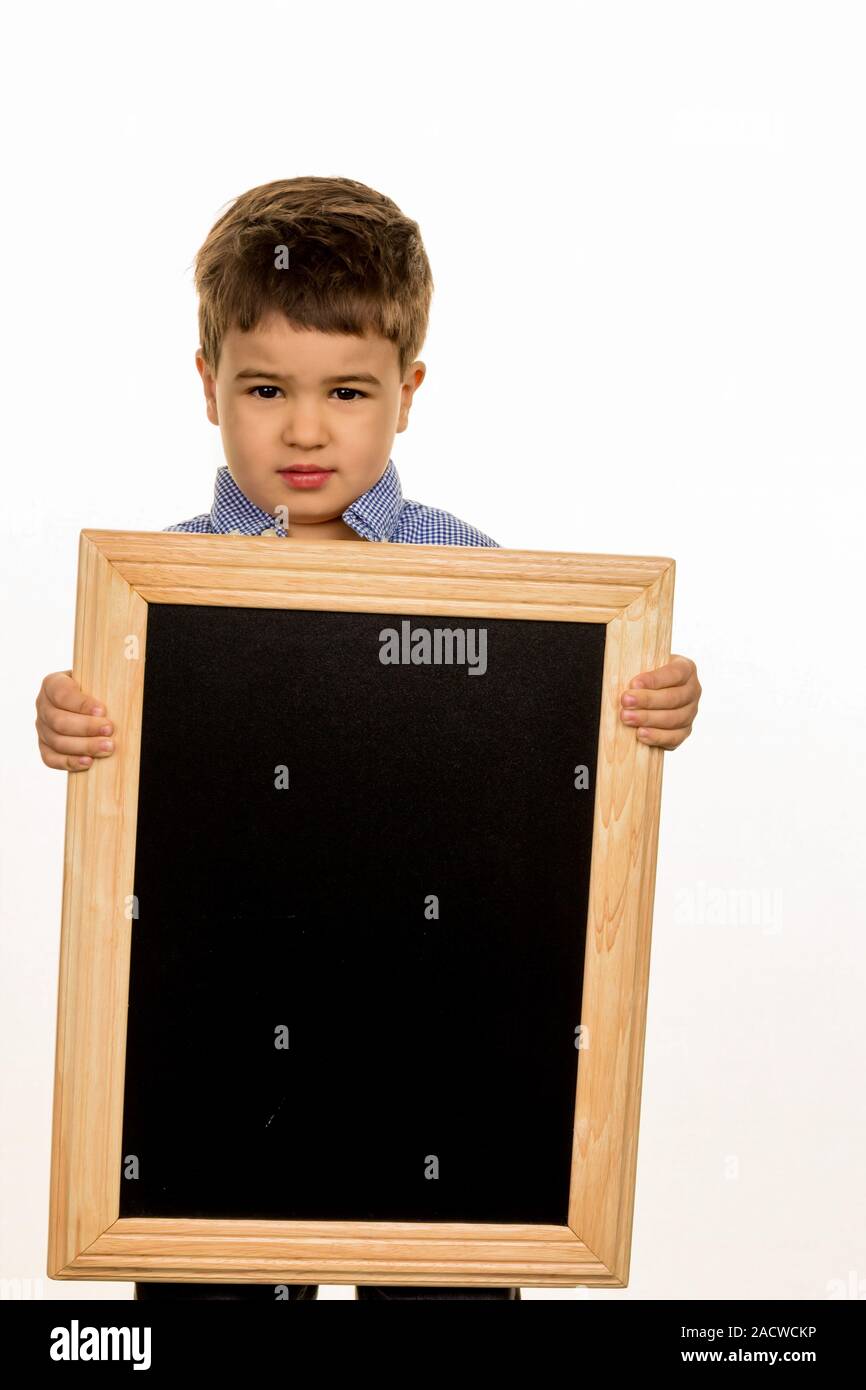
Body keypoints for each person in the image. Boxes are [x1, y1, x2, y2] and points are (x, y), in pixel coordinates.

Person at [35, 176, 702, 1301]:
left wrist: (641, 705)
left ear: (409, 390)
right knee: (211, 1271)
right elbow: (128, 789)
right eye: (264, 388)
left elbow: (553, 763)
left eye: (346, 389)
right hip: (218, 1051)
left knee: (441, 1271)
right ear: (207, 389)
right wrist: (70, 722)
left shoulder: (486, 581)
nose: (305, 429)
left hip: (432, 1042)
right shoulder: (154, 595)